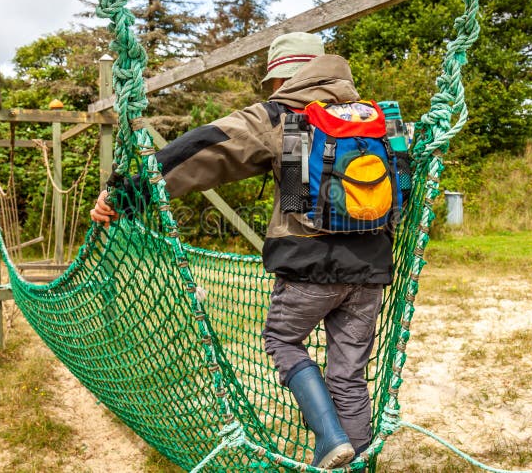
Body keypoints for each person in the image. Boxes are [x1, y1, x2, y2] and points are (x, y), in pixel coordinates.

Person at [91, 32, 394, 469]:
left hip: (308, 265)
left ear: (282, 78)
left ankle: (330, 438)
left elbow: (203, 150)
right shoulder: (374, 118)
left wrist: (127, 192)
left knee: (282, 339)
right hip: (371, 269)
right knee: (348, 377)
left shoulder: (278, 116)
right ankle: (358, 464)